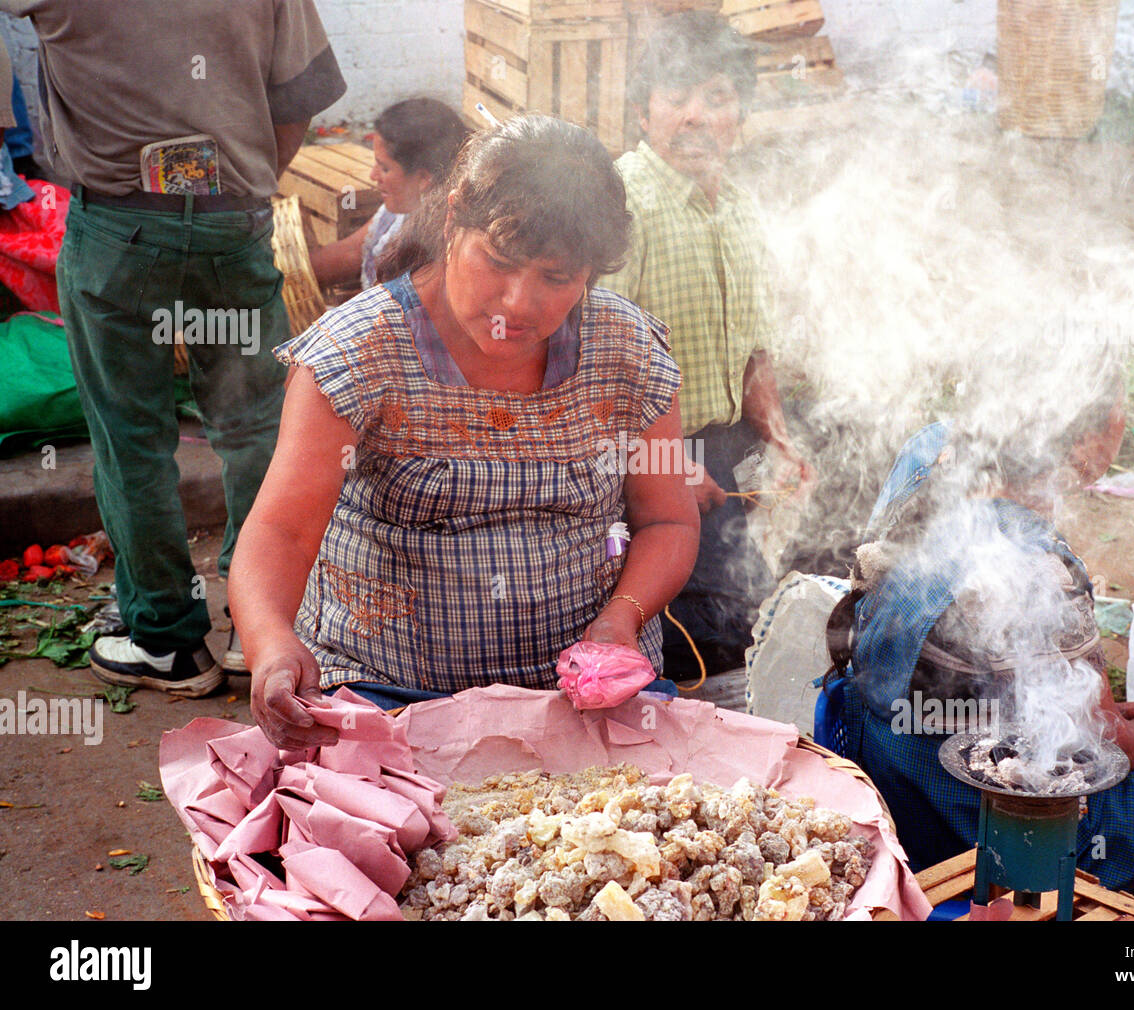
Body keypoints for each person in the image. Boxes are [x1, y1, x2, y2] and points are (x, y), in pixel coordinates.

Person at [229, 116, 700, 750]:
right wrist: (271, 644)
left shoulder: (629, 350)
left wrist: (621, 620)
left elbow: (668, 521)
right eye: (498, 262)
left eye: (557, 278)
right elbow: (280, 531)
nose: (517, 303)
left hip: (584, 698)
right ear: (454, 219)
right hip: (389, 694)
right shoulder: (358, 352)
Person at [822, 380, 1134, 921]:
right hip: (974, 826)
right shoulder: (1038, 563)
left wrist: (1098, 711)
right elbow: (1097, 752)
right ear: (1085, 441)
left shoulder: (929, 451)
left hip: (888, 778)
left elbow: (1044, 697)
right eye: (1121, 409)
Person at [0, 0, 347, 697]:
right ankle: (262, 629)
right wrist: (240, 190)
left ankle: (166, 639)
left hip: (118, 227)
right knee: (258, 431)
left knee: (132, 439)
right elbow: (300, 98)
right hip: (233, 220)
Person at [599, 12, 813, 682]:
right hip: (635, 452)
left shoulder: (742, 208)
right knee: (680, 634)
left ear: (739, 115)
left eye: (716, 99)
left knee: (748, 616)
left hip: (724, 452)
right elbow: (591, 363)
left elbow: (755, 353)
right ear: (643, 113)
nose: (696, 116)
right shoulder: (621, 203)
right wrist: (665, 464)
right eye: (676, 97)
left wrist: (781, 439)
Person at [309, 97, 468, 291]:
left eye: (384, 168)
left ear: (424, 178)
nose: (373, 175)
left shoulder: (438, 246)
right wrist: (283, 275)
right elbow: (351, 251)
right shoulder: (403, 208)